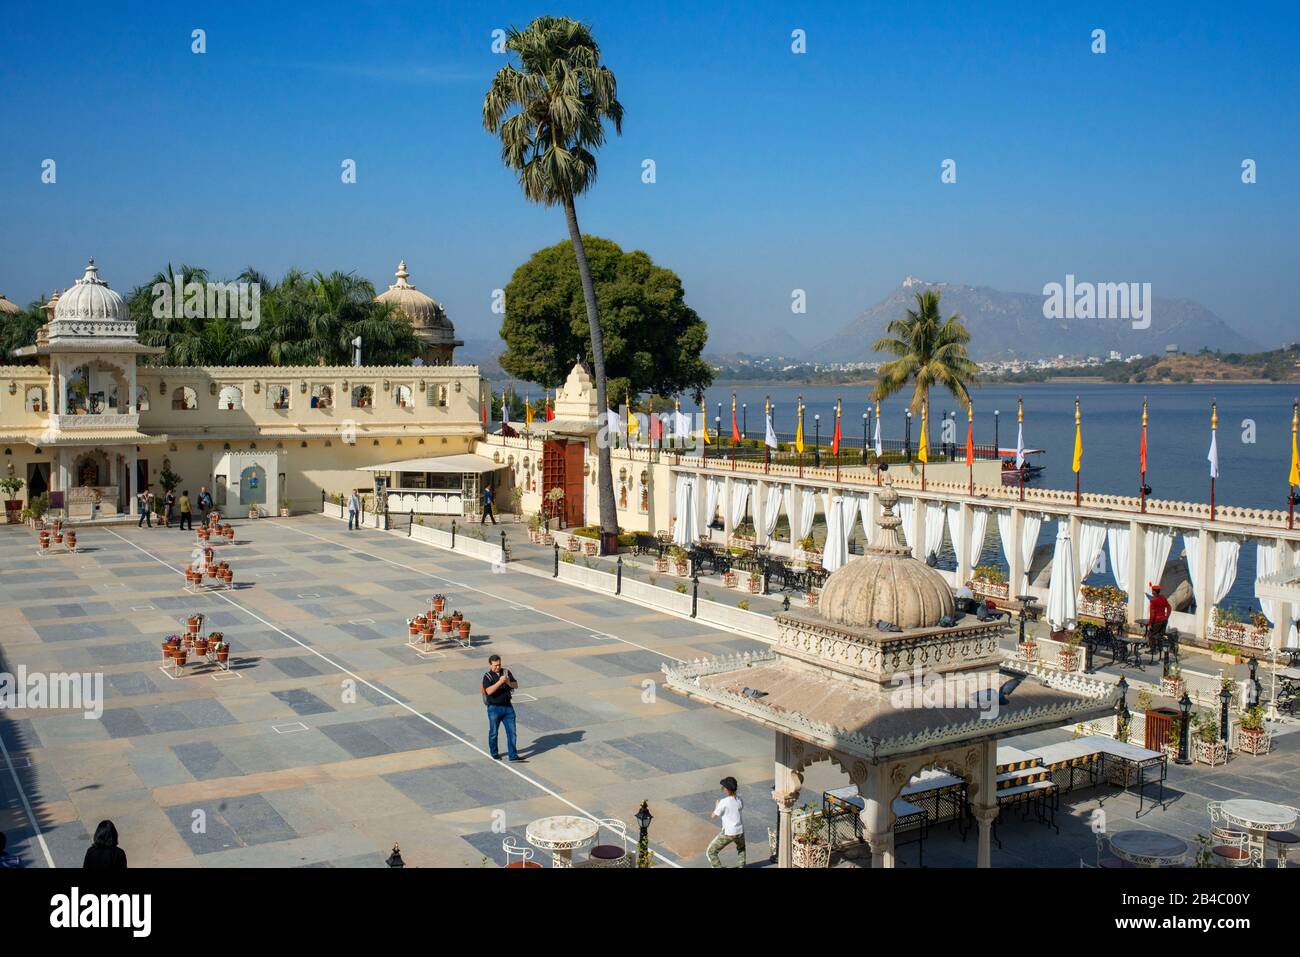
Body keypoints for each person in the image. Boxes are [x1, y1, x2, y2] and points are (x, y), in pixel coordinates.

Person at [481, 654, 522, 761]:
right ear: (490, 665)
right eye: (495, 665)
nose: (497, 667)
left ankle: (513, 755)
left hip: (508, 707)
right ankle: (494, 753)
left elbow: (516, 685)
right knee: (494, 732)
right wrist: (500, 682)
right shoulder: (487, 676)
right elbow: (489, 691)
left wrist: (507, 681)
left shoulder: (506, 672)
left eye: (499, 665)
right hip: (494, 708)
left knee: (512, 732)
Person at [706, 777, 746, 868]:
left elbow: (713, 816)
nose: (722, 789)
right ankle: (741, 866)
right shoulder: (739, 799)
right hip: (740, 831)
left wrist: (717, 805)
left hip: (728, 832)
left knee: (711, 852)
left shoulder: (723, 802)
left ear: (727, 790)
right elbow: (739, 808)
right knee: (741, 848)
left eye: (723, 788)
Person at [1147, 583, 1172, 650]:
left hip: (1157, 621)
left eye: (1152, 591)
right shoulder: (1163, 598)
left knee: (1150, 635)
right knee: (1160, 635)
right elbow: (1169, 607)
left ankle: (1152, 649)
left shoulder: (1153, 601)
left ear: (1154, 592)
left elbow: (1152, 614)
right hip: (1164, 620)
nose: (1152, 592)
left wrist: (1150, 623)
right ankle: (1160, 648)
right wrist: (1167, 617)